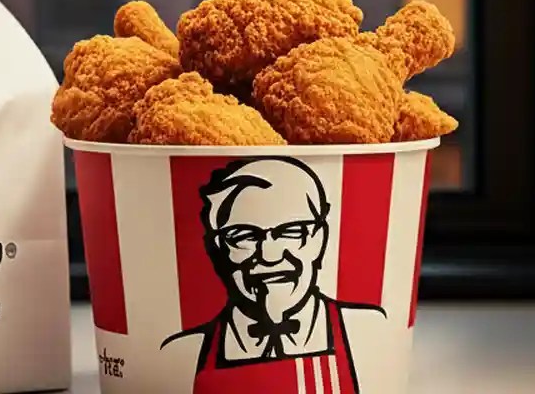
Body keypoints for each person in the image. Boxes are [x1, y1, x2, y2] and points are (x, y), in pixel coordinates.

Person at [162, 158, 384, 393]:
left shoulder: (366, 328)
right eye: (244, 236)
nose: (269, 256)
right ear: (219, 248)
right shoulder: (183, 352)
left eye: (291, 231)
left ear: (319, 238)